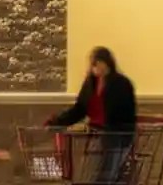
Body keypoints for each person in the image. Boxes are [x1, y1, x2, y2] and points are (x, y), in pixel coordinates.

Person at [47, 47, 137, 182]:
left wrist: (115, 126)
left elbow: (126, 110)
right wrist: (59, 121)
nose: (96, 67)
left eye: (99, 62)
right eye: (94, 63)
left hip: (116, 134)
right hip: (97, 134)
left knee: (107, 173)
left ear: (108, 63)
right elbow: (80, 109)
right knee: (94, 172)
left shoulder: (121, 84)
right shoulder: (90, 84)